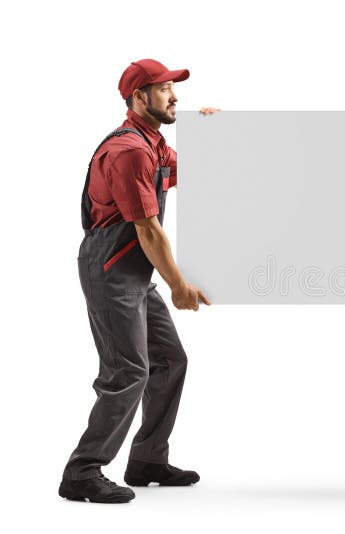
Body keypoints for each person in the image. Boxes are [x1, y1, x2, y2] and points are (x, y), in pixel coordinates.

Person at [59, 59, 216, 504]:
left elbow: (198, 174)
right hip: (110, 271)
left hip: (134, 273)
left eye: (172, 89)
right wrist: (179, 284)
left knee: (170, 360)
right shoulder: (128, 151)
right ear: (138, 98)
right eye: (165, 89)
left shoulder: (155, 145)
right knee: (127, 370)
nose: (175, 97)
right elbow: (148, 229)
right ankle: (82, 471)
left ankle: (147, 459)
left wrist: (217, 138)